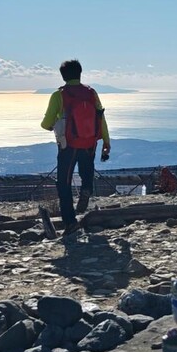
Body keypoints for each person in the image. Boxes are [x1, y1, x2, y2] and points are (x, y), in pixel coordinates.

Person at [40, 58, 111, 234]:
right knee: (86, 172)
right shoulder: (91, 93)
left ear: (63, 76)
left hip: (68, 145)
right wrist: (106, 142)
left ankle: (70, 222)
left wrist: (53, 124)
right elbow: (101, 118)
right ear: (80, 73)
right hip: (89, 143)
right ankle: (86, 189)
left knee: (64, 183)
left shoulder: (59, 95)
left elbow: (46, 123)